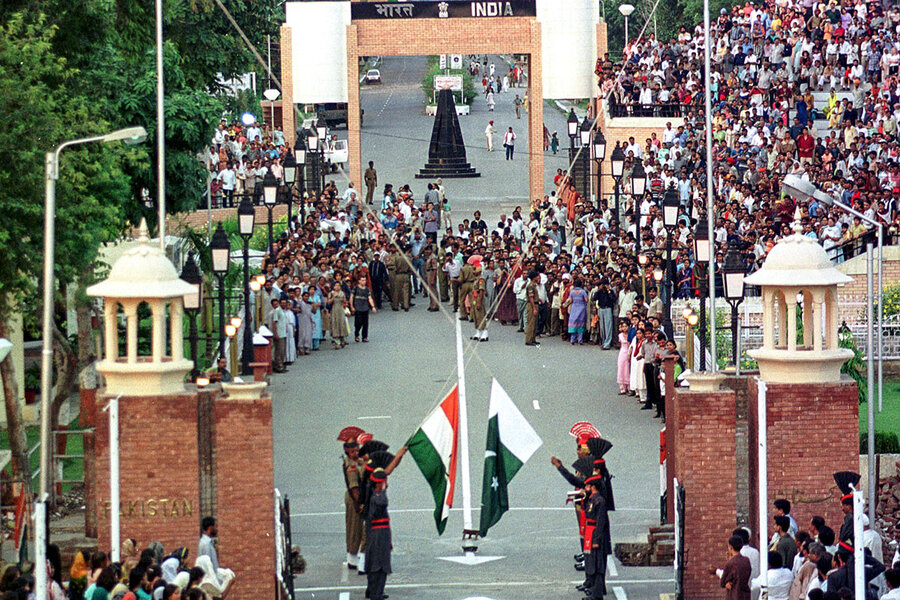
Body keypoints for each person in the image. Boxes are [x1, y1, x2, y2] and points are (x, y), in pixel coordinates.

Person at [581, 475, 611, 600]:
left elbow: (600, 522)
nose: (586, 488)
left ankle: (597, 594)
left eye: (588, 486)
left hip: (594, 535)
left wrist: (596, 540)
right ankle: (594, 591)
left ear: (593, 487)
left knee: (597, 565)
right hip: (590, 533)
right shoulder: (592, 499)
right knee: (590, 563)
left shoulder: (600, 501)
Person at [342, 438, 365, 570]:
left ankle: (355, 555)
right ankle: (352, 557)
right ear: (347, 451)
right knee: (354, 527)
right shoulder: (350, 466)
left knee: (359, 527)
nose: (356, 452)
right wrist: (359, 503)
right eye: (352, 451)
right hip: (354, 498)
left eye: (357, 449)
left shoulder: (359, 461)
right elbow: (354, 488)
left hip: (359, 496)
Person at [717, 535, 752, 600]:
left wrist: (727, 582)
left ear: (730, 547)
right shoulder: (746, 560)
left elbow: (722, 582)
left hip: (734, 595)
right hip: (745, 594)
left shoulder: (730, 563)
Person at [349, 275, 376, 342]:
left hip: (365, 308)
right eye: (362, 280)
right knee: (358, 323)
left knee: (365, 323)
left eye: (365, 280)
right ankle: (357, 335)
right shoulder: (355, 288)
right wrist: (352, 306)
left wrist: (373, 306)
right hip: (357, 308)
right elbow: (351, 297)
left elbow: (369, 298)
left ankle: (364, 337)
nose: (364, 282)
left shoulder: (367, 289)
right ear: (359, 281)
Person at [269, 298, 287, 372]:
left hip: (283, 333)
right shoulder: (277, 311)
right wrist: (275, 333)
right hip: (279, 334)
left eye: (284, 303)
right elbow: (274, 323)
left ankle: (281, 365)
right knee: (279, 351)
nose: (283, 304)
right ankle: (278, 366)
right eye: (282, 303)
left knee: (282, 350)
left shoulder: (282, 311)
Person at [525, 270, 540, 346]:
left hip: (536, 304)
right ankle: (528, 339)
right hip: (532, 305)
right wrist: (534, 308)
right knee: (531, 322)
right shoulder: (530, 285)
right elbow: (531, 297)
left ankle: (533, 338)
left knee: (535, 322)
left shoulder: (534, 285)